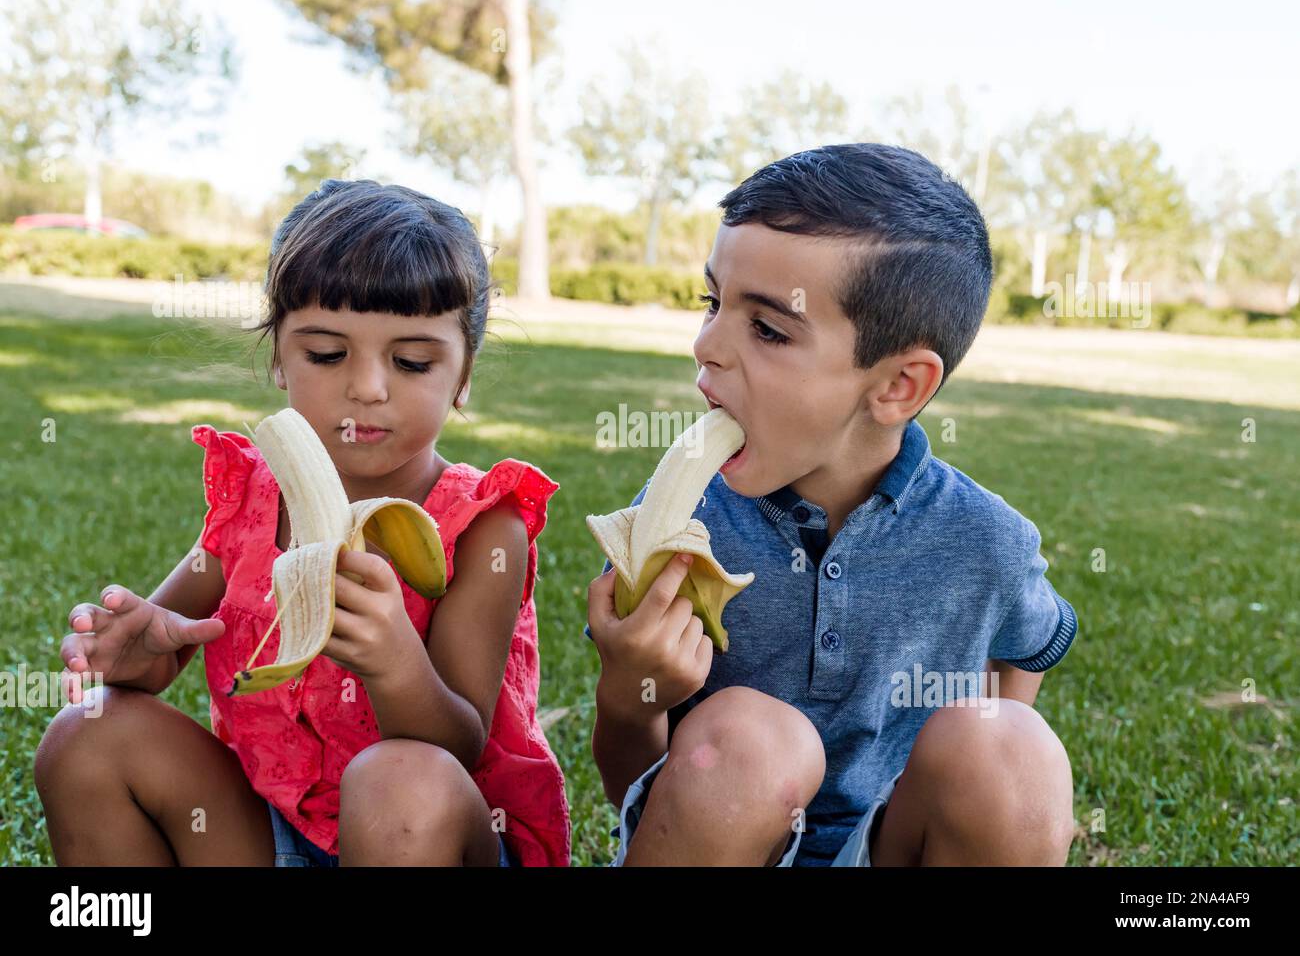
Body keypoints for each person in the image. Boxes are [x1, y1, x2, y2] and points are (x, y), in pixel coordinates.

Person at [36, 179, 569, 867]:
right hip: (272, 830)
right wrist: (136, 654)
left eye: (412, 361)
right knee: (87, 731)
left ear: (463, 375)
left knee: (398, 781)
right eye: (326, 353)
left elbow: (457, 746)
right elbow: (164, 642)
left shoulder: (482, 529)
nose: (369, 386)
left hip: (423, 831)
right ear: (278, 361)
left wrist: (395, 661)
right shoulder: (253, 500)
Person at [586, 144, 1078, 866]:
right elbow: (632, 785)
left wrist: (977, 780)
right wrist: (631, 692)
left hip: (884, 843)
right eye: (712, 302)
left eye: (767, 329)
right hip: (717, 833)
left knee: (1012, 745)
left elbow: (1018, 663)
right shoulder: (686, 530)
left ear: (898, 386)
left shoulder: (986, 541)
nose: (706, 346)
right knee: (751, 737)